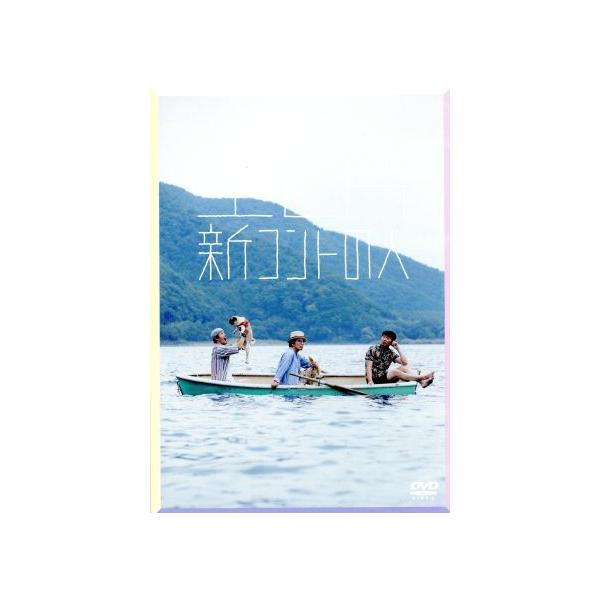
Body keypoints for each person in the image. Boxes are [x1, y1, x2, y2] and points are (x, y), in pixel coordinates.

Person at [365, 330, 434, 387]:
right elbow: (368, 367)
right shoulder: (372, 349)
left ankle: (422, 382)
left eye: (388, 338)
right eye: (384, 337)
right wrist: (370, 381)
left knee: (404, 368)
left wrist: (398, 348)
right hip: (374, 380)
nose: (385, 339)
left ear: (391, 342)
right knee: (394, 372)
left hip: (384, 378)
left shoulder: (390, 353)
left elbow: (404, 363)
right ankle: (422, 377)